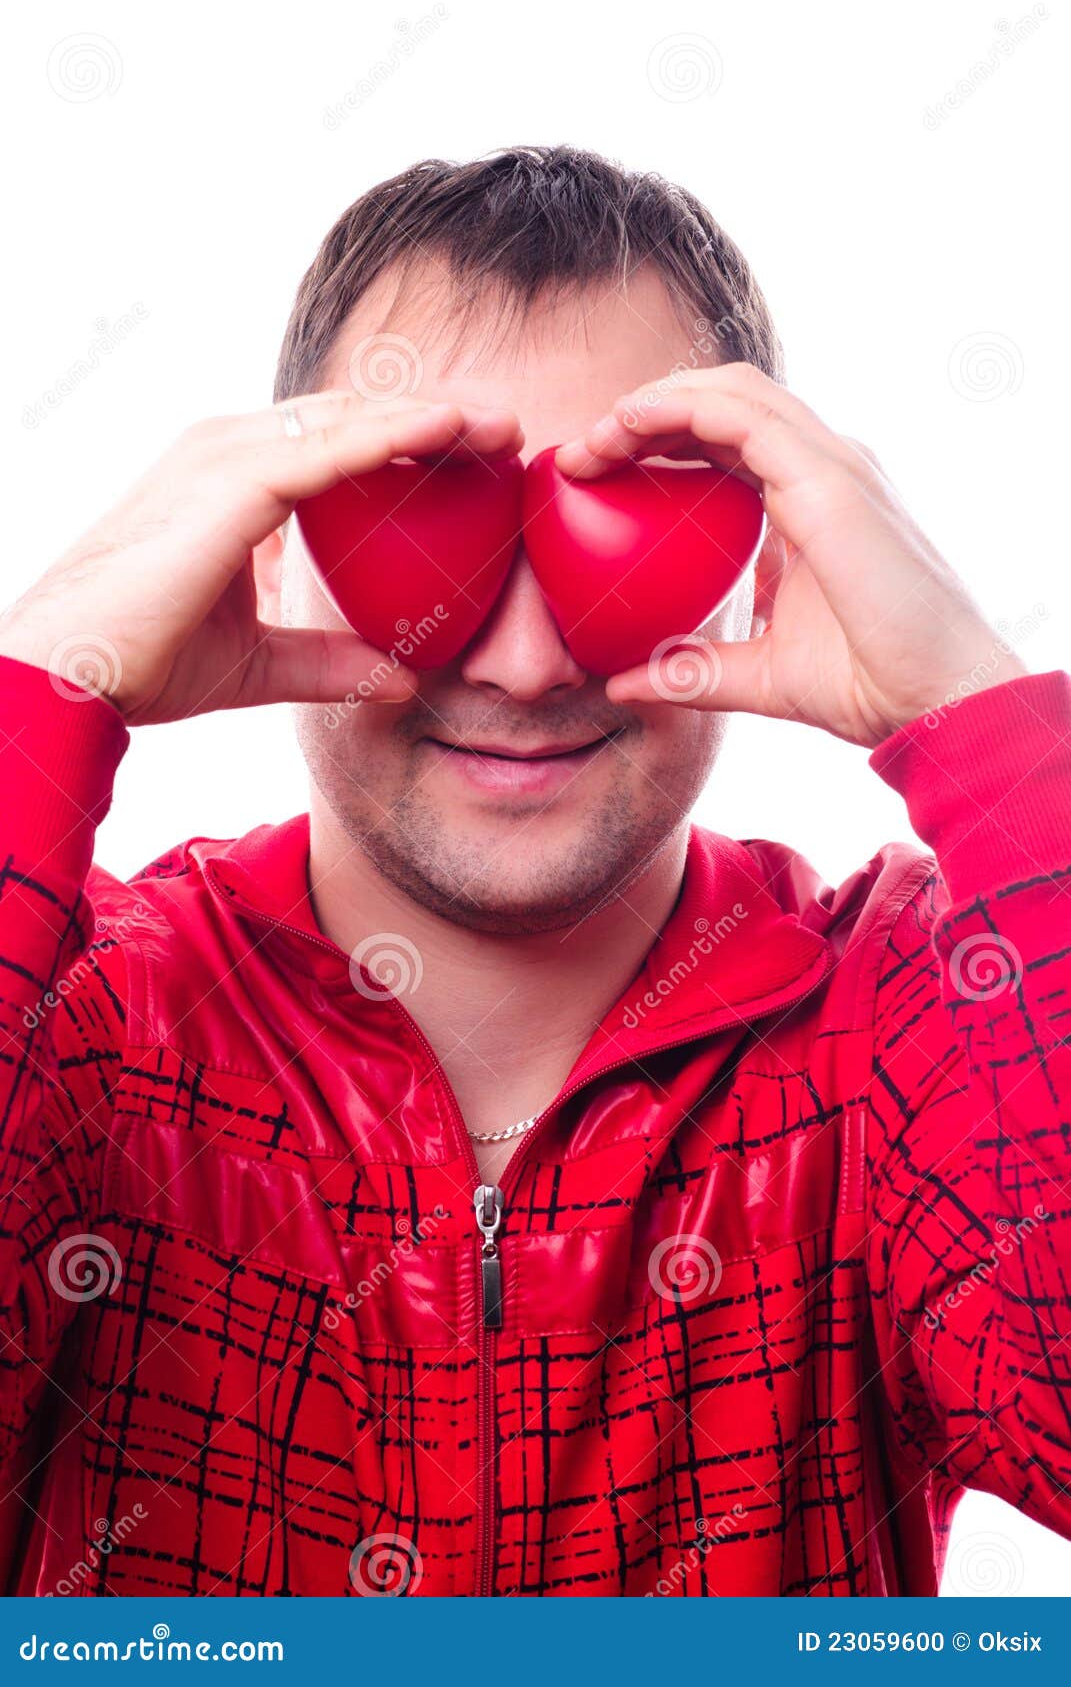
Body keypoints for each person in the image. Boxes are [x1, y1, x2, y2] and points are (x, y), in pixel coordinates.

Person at [0, 144, 1067, 1599]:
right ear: (263, 552)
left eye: (624, 532)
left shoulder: (910, 1018)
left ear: (759, 566)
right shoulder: (79, 1016)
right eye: (417, 516)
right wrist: (39, 694)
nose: (523, 662)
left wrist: (981, 719)